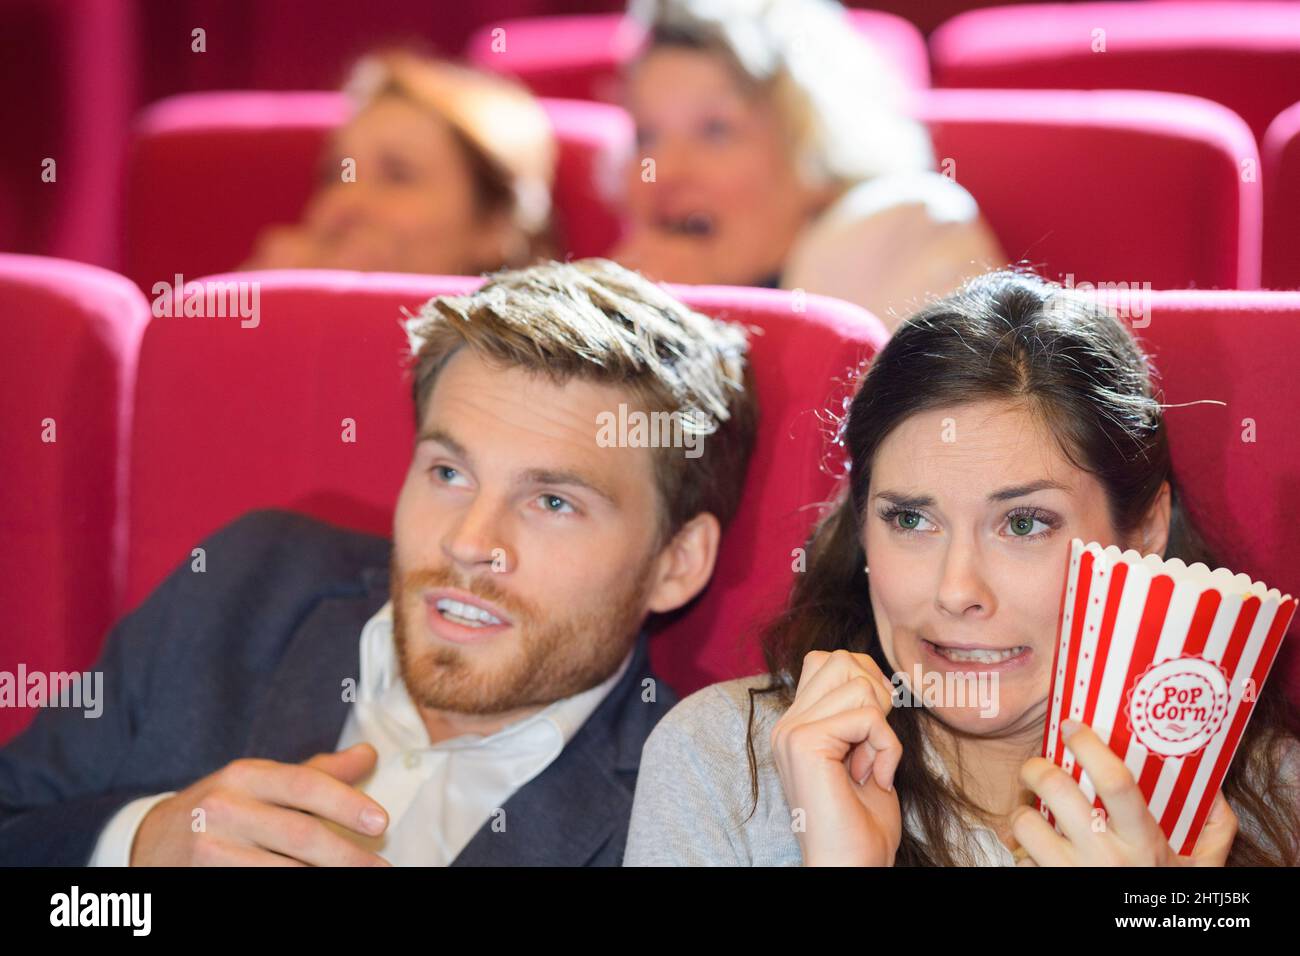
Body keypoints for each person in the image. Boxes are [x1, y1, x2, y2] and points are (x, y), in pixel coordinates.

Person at [0, 258, 758, 867]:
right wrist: (137, 848)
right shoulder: (245, 585)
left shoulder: (702, 805)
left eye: (552, 502)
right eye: (448, 473)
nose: (468, 541)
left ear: (677, 563)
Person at [625, 268, 1300, 866]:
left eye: (1024, 524)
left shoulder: (1281, 802)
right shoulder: (722, 763)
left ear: (1145, 531)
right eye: (912, 520)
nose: (957, 592)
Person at [609, 0, 1004, 328]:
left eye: (716, 131)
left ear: (813, 144)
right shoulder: (645, 281)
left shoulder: (906, 227)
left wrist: (706, 325)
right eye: (646, 136)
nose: (665, 171)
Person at [243, 51, 556, 276]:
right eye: (336, 175)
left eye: (398, 177)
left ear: (495, 226)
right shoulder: (271, 285)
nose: (345, 203)